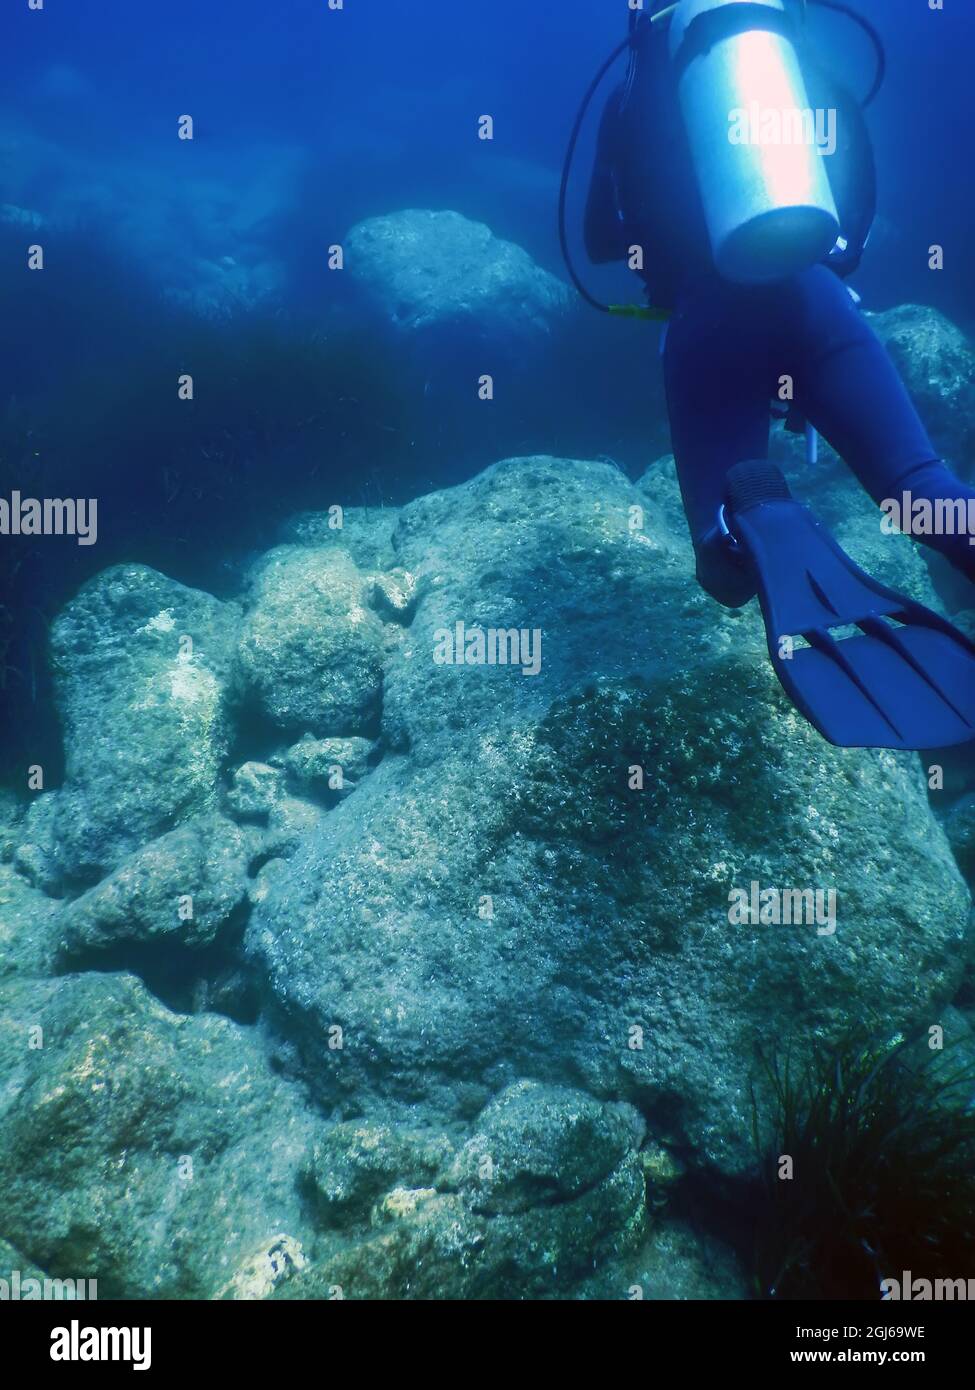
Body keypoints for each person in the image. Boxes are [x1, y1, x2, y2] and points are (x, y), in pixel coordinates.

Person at [581, 2, 975, 749]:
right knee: (924, 494)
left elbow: (599, 241)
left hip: (708, 325)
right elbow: (852, 190)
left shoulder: (631, 90)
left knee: (723, 568)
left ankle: (758, 518)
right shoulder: (788, 63)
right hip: (816, 299)